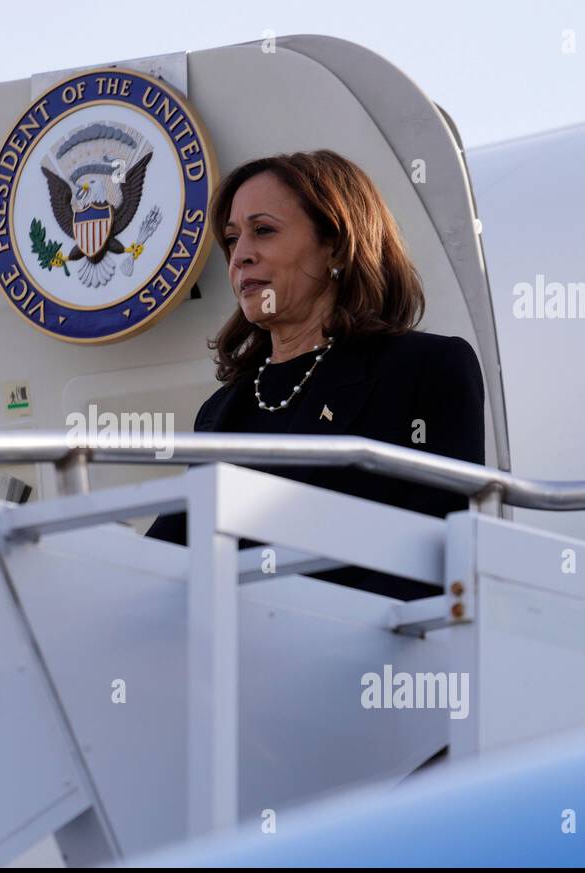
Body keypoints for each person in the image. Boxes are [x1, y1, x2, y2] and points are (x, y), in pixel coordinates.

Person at [144, 149, 486, 600]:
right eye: (231, 239)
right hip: (237, 660)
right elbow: (161, 561)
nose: (240, 256)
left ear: (336, 247)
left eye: (263, 231)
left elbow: (443, 552)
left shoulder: (425, 369)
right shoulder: (221, 411)